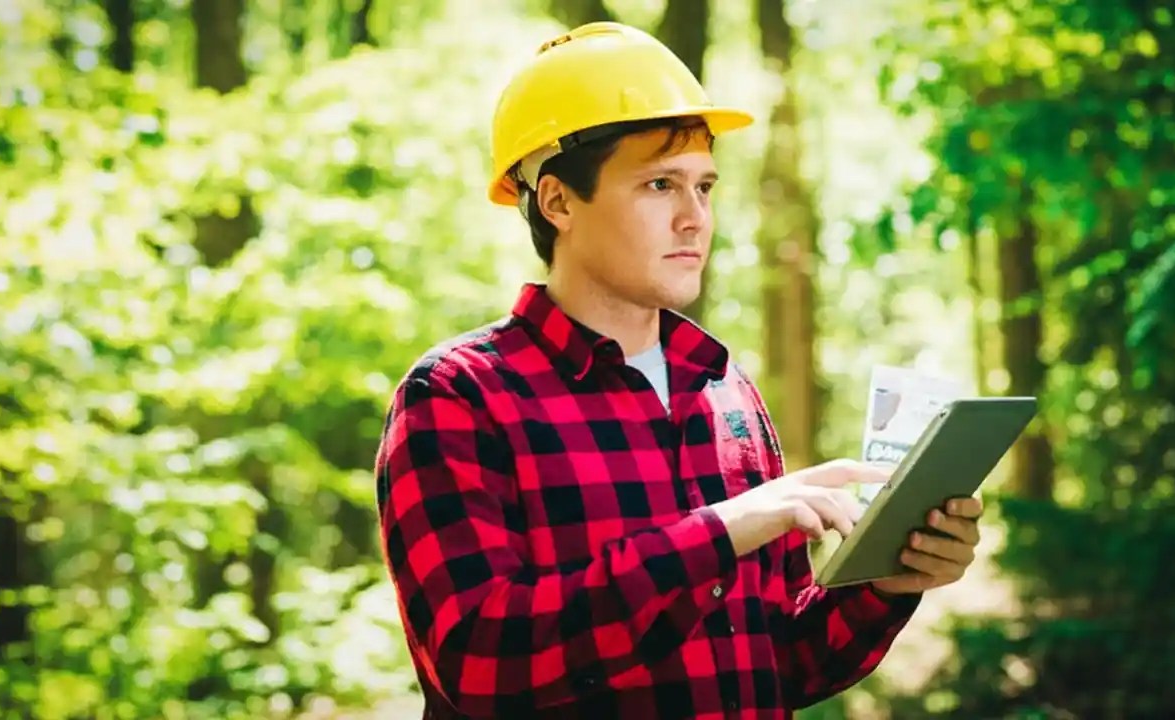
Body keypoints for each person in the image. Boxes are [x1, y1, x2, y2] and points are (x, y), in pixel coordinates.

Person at [374, 21, 984, 719]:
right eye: (661, 184)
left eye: (705, 187)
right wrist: (720, 532)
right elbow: (483, 664)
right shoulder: (458, 395)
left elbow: (780, 665)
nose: (695, 218)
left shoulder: (727, 394)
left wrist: (890, 583)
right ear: (558, 201)